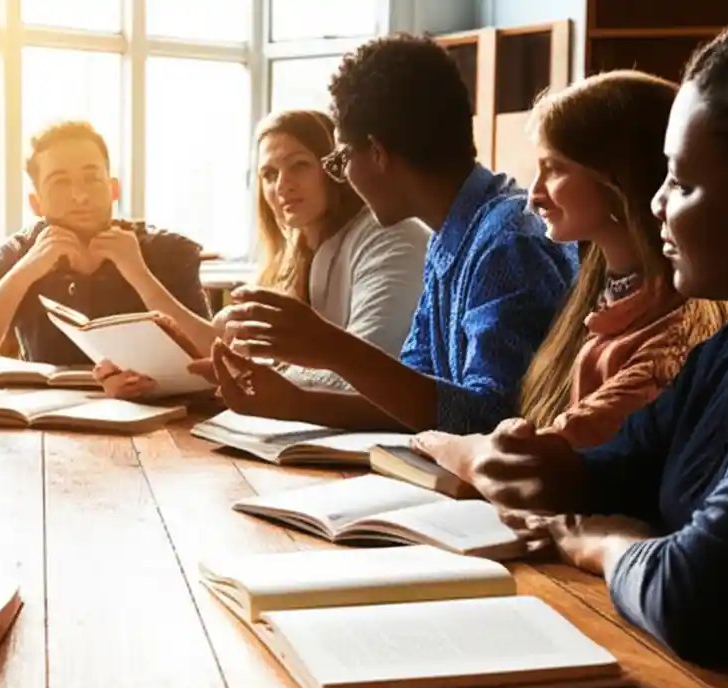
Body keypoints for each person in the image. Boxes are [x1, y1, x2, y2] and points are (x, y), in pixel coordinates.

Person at [414, 15, 728, 666]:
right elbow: (627, 466)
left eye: (683, 183)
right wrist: (552, 472)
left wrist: (598, 542)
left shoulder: (694, 339)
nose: (656, 203)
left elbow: (695, 594)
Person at [209, 34, 578, 434]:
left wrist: (331, 348)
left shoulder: (507, 243)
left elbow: (490, 419)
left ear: (377, 154)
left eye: (343, 159)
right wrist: (295, 402)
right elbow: (419, 398)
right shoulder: (448, 236)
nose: (344, 177)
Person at [415, 71, 728, 481]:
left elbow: (534, 459)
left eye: (554, 168)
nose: (534, 194)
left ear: (618, 178)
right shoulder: (598, 297)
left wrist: (436, 443)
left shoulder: (677, 338)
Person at [98, 109, 429, 398]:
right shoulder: (293, 255)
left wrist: (249, 376)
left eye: (299, 165)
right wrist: (140, 381)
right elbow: (216, 353)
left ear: (335, 169)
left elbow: (369, 373)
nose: (282, 185)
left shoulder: (389, 238)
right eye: (269, 175)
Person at [0, 120, 212, 383]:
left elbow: (215, 361)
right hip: (46, 419)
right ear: (37, 203)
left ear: (113, 188)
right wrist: (25, 271)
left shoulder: (170, 252)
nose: (80, 195)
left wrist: (140, 275)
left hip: (157, 413)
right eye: (60, 183)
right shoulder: (12, 256)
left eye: (92, 179)